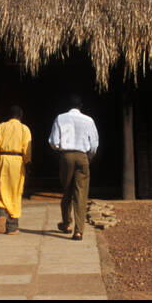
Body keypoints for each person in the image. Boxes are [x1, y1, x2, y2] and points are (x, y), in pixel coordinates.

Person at [49, 94, 98, 240]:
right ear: (81, 106)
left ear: (68, 106)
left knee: (67, 190)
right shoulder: (88, 120)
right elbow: (94, 144)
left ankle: (66, 223)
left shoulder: (60, 118)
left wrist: (62, 150)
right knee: (81, 194)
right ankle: (78, 231)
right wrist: (89, 156)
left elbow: (53, 141)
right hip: (82, 156)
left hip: (66, 156)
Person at [0, 105, 32, 234]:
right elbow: (27, 150)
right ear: (20, 117)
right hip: (17, 161)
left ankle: (1, 215)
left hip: (2, 159)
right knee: (15, 192)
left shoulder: (0, 127)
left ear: (9, 116)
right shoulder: (24, 129)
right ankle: (12, 227)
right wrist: (28, 164)